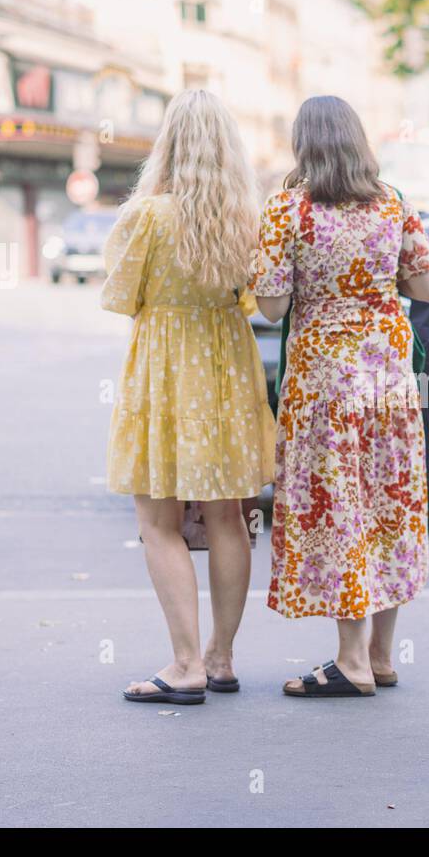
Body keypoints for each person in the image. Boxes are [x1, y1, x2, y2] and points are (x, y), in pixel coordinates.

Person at [252, 95, 429, 698]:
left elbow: (274, 305)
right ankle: (380, 656)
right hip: (386, 374)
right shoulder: (392, 203)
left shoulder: (288, 209)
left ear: (304, 144)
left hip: (326, 378)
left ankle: (350, 661)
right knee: (386, 499)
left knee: (340, 505)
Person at [103, 89, 276, 706]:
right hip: (228, 367)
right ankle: (221, 658)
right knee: (229, 517)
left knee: (159, 522)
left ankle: (184, 664)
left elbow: (120, 297)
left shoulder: (146, 217)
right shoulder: (248, 221)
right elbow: (257, 303)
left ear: (168, 145)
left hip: (164, 374)